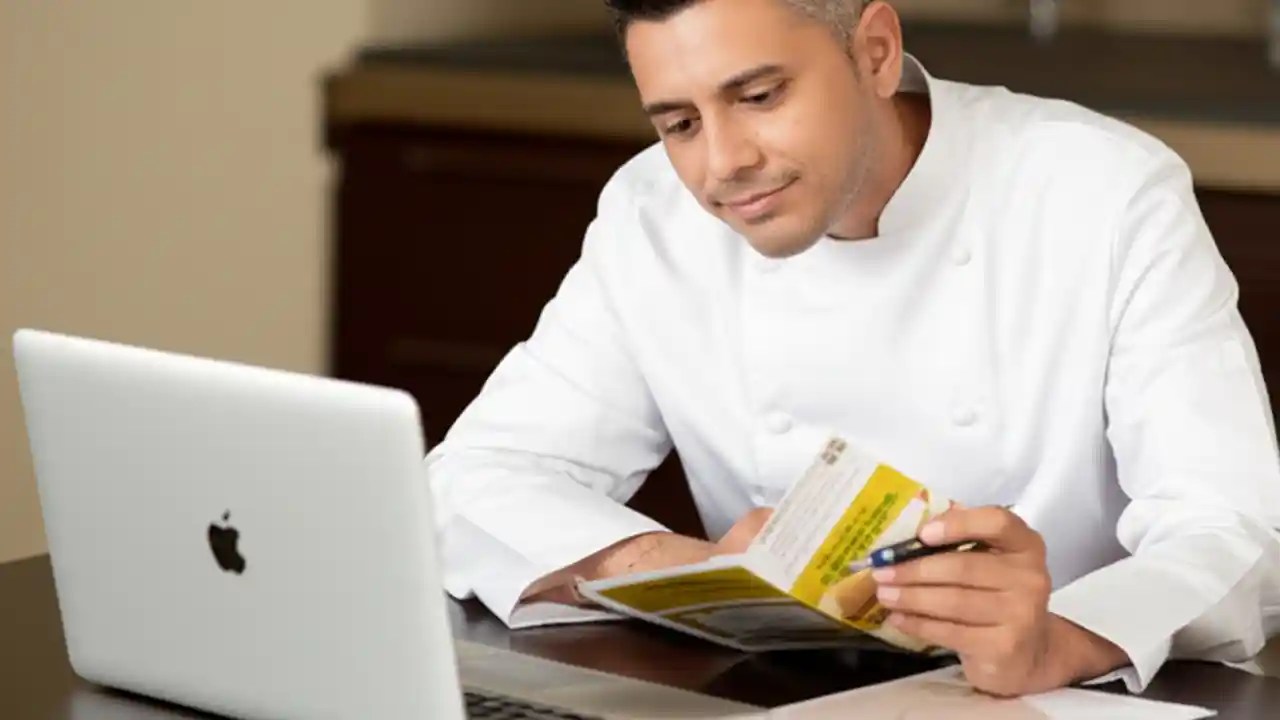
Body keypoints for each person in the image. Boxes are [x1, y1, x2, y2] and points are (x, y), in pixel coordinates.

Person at [424, 0, 1280, 697]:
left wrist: (1060, 639)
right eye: (680, 122)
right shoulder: (653, 215)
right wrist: (693, 565)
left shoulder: (1102, 194)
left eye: (759, 97)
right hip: (779, 692)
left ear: (874, 50)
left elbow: (1234, 530)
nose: (721, 165)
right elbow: (473, 479)